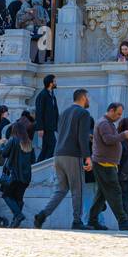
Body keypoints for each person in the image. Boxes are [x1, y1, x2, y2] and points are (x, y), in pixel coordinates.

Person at [34, 88, 94, 230]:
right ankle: (77, 221)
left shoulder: (64, 113)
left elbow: (60, 134)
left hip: (59, 155)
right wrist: (87, 157)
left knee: (61, 189)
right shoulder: (84, 113)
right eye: (88, 97)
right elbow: (82, 137)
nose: (89, 100)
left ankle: (42, 215)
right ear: (84, 98)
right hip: (72, 155)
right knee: (77, 189)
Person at [86, 102, 128, 231]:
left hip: (106, 163)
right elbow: (108, 140)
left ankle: (92, 221)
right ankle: (123, 221)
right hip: (104, 164)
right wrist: (124, 135)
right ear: (111, 110)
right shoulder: (104, 123)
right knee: (115, 192)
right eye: (118, 114)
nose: (119, 117)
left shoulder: (107, 123)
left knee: (101, 195)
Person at [0, 115, 36, 227]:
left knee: (6, 196)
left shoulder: (13, 140)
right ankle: (15, 222)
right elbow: (33, 160)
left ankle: (18, 215)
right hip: (26, 177)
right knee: (18, 198)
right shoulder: (29, 143)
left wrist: (2, 144)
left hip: (14, 175)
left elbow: (4, 153)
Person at [33, 74, 59, 161]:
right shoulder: (43, 95)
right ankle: (46, 164)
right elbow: (39, 112)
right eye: (54, 81)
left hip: (51, 127)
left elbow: (55, 111)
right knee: (51, 145)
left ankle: (39, 164)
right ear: (50, 83)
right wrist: (40, 128)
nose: (56, 83)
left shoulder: (52, 95)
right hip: (46, 127)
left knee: (46, 147)